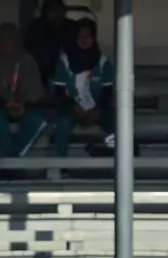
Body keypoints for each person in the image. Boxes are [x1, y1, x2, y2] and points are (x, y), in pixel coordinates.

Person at [0, 23, 47, 159]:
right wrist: (8, 103)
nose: (6, 43)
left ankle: (12, 158)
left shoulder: (27, 59)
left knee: (36, 120)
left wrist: (22, 103)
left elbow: (34, 91)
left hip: (23, 106)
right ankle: (12, 161)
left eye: (10, 38)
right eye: (1, 39)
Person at [52, 18, 115, 157]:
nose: (84, 39)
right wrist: (76, 109)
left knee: (119, 124)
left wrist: (96, 111)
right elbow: (59, 92)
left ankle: (123, 159)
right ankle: (60, 166)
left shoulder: (102, 61)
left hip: (98, 110)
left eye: (88, 35)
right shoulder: (65, 60)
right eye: (81, 35)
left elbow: (107, 92)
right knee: (62, 125)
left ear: (94, 37)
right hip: (72, 109)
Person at [23, 0, 78, 90]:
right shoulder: (36, 27)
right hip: (42, 73)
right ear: (46, 12)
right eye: (53, 11)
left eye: (60, 11)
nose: (57, 14)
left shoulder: (71, 27)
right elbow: (31, 54)